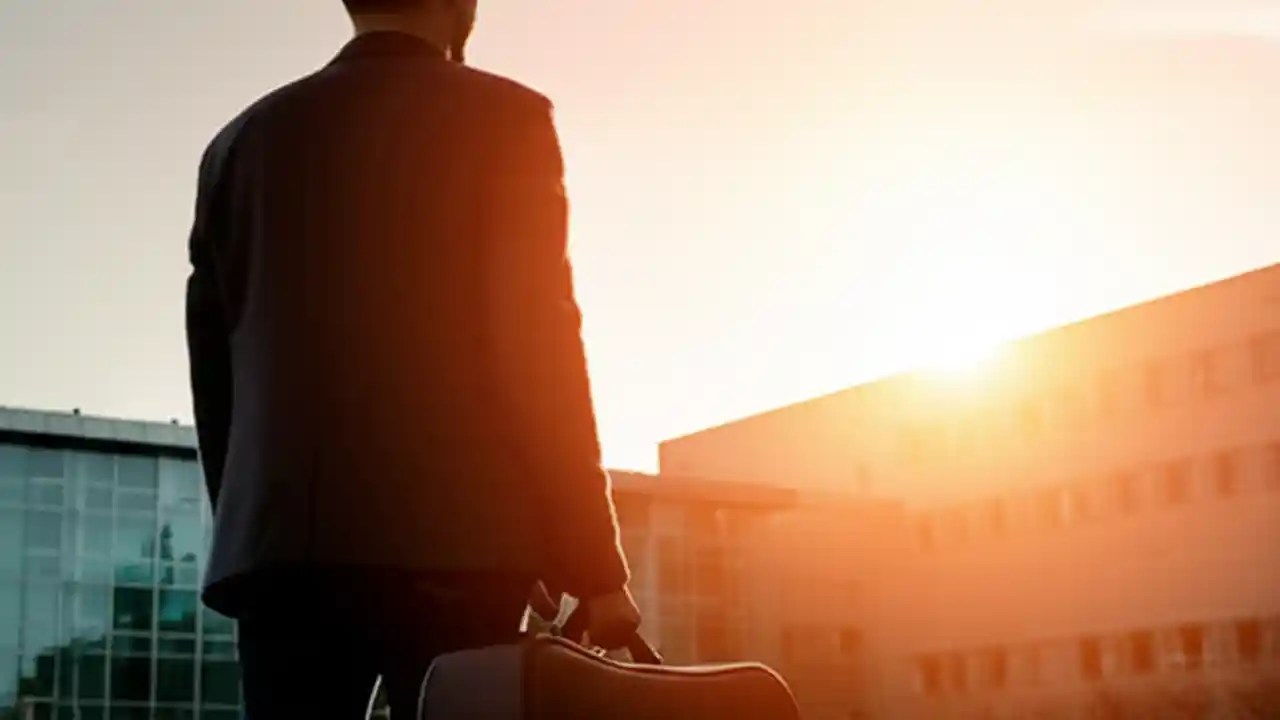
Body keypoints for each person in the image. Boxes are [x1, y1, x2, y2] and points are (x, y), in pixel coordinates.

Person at [183, 0, 641, 716]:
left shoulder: (239, 144)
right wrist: (591, 563)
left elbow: (217, 381)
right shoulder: (505, 119)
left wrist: (254, 524)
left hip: (281, 562)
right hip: (462, 550)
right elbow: (540, 347)